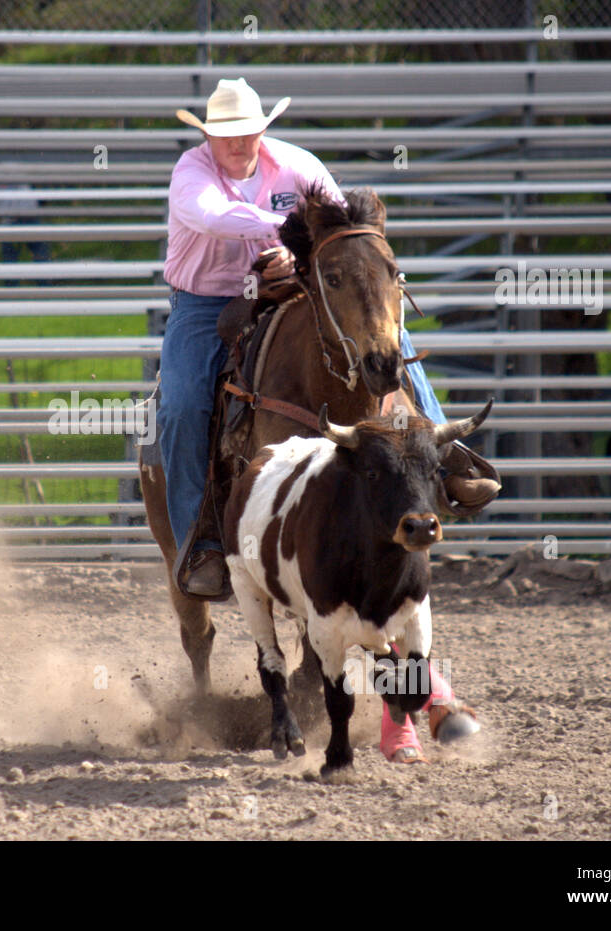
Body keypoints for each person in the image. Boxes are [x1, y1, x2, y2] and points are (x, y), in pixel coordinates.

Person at [160, 78, 490, 761]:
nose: (239, 141)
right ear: (208, 137)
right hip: (207, 303)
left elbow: (347, 229)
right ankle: (201, 541)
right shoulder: (192, 175)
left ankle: (442, 456)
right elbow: (211, 217)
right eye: (226, 133)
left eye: (248, 130)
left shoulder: (298, 165)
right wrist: (279, 232)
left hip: (299, 286)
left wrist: (326, 244)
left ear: (262, 128)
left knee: (389, 353)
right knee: (186, 402)